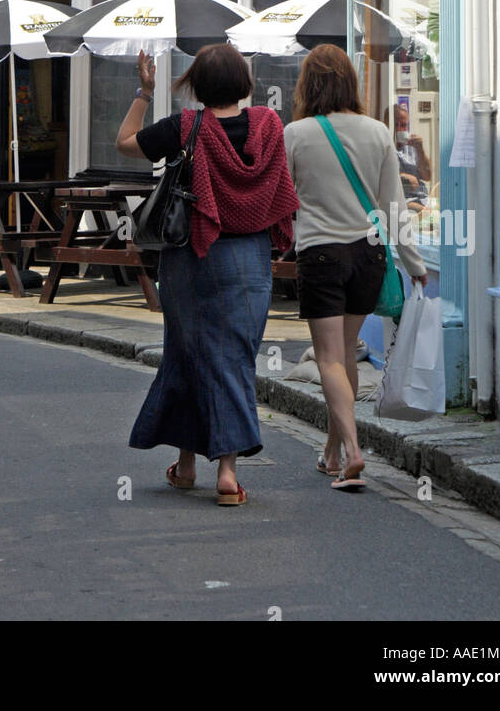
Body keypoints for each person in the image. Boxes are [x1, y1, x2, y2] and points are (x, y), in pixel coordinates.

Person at [116, 44, 299, 507]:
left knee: (187, 352)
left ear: (196, 84)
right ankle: (226, 473)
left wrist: (144, 91)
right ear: (245, 83)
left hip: (191, 257)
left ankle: (188, 464)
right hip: (250, 261)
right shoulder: (269, 125)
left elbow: (125, 142)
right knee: (234, 358)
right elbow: (279, 189)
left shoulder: (186, 127)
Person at [284, 45, 427, 491]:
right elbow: (395, 208)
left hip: (321, 254)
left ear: (307, 85)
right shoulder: (377, 132)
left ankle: (353, 451)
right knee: (345, 355)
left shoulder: (295, 134)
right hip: (369, 254)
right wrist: (415, 265)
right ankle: (331, 452)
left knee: (328, 359)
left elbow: (283, 200)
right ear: (350, 81)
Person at [393, 102, 432, 211]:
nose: (400, 129)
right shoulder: (385, 148)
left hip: (421, 197)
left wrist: (420, 150)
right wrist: (401, 176)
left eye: (404, 125)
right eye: (396, 125)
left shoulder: (411, 146)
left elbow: (427, 176)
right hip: (401, 202)